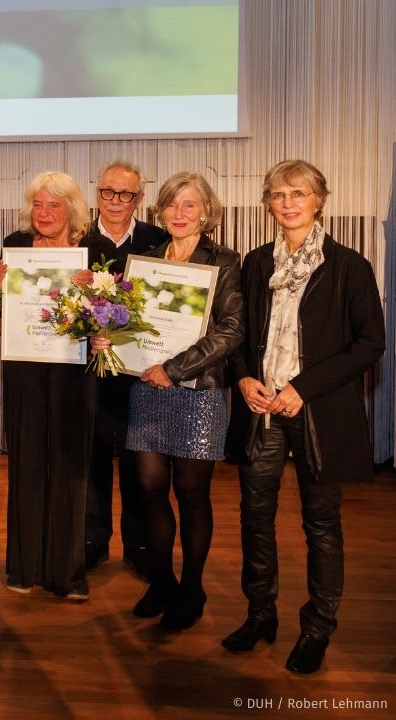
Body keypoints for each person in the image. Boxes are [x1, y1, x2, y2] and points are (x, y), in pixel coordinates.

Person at [222, 160, 384, 674]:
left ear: (320, 199)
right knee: (255, 516)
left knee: (321, 524)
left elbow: (369, 345)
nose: (287, 203)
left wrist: (302, 388)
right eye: (277, 195)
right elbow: (238, 335)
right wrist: (244, 377)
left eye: (299, 193)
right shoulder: (254, 263)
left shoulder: (348, 266)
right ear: (267, 203)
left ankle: (317, 629)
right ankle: (260, 614)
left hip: (317, 412)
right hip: (261, 409)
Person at [116, 172, 243, 631]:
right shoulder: (145, 260)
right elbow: (127, 323)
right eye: (171, 205)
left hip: (199, 392)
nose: (179, 214)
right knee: (149, 486)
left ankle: (192, 586)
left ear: (206, 212)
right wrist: (109, 339)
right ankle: (162, 580)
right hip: (148, 388)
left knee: (191, 492)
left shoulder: (225, 261)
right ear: (160, 211)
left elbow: (231, 331)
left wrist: (174, 369)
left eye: (190, 206)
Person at [0, 171, 114, 601]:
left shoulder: (94, 250)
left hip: (73, 370)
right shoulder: (16, 245)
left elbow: (110, 313)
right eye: (39, 205)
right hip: (25, 367)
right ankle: (23, 566)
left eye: (54, 205)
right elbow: (3, 310)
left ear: (72, 209)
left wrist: (96, 296)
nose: (45, 214)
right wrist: (1, 284)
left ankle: (68, 572)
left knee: (70, 466)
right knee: (26, 462)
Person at [83, 161, 168, 574]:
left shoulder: (160, 241)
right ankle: (93, 543)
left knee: (140, 466)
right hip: (89, 371)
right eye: (108, 192)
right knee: (92, 462)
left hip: (143, 375)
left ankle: (140, 548)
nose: (116, 201)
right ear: (96, 193)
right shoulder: (76, 239)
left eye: (127, 194)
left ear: (141, 198)